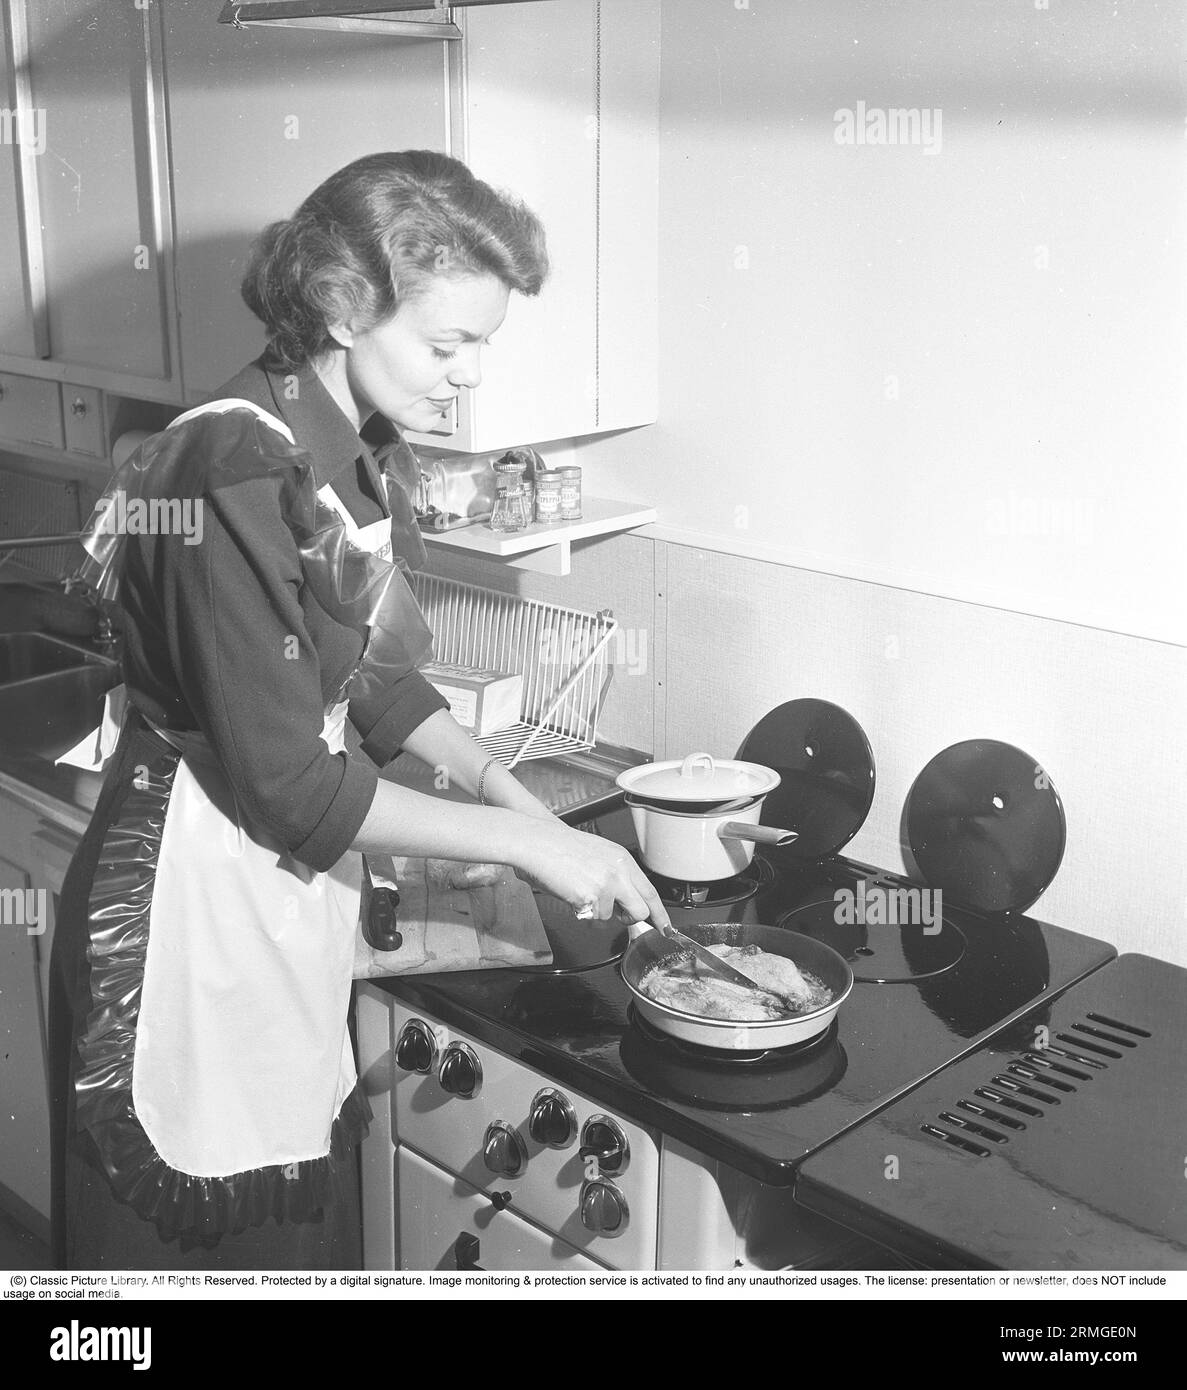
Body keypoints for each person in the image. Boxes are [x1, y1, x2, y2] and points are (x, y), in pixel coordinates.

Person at [49, 150, 669, 1271]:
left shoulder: (351, 449)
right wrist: (525, 846)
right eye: (448, 345)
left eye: (480, 344)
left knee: (289, 1206)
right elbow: (289, 783)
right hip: (185, 900)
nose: (468, 376)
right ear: (341, 307)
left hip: (274, 887)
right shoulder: (227, 470)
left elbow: (375, 676)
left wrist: (510, 792)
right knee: (184, 1252)